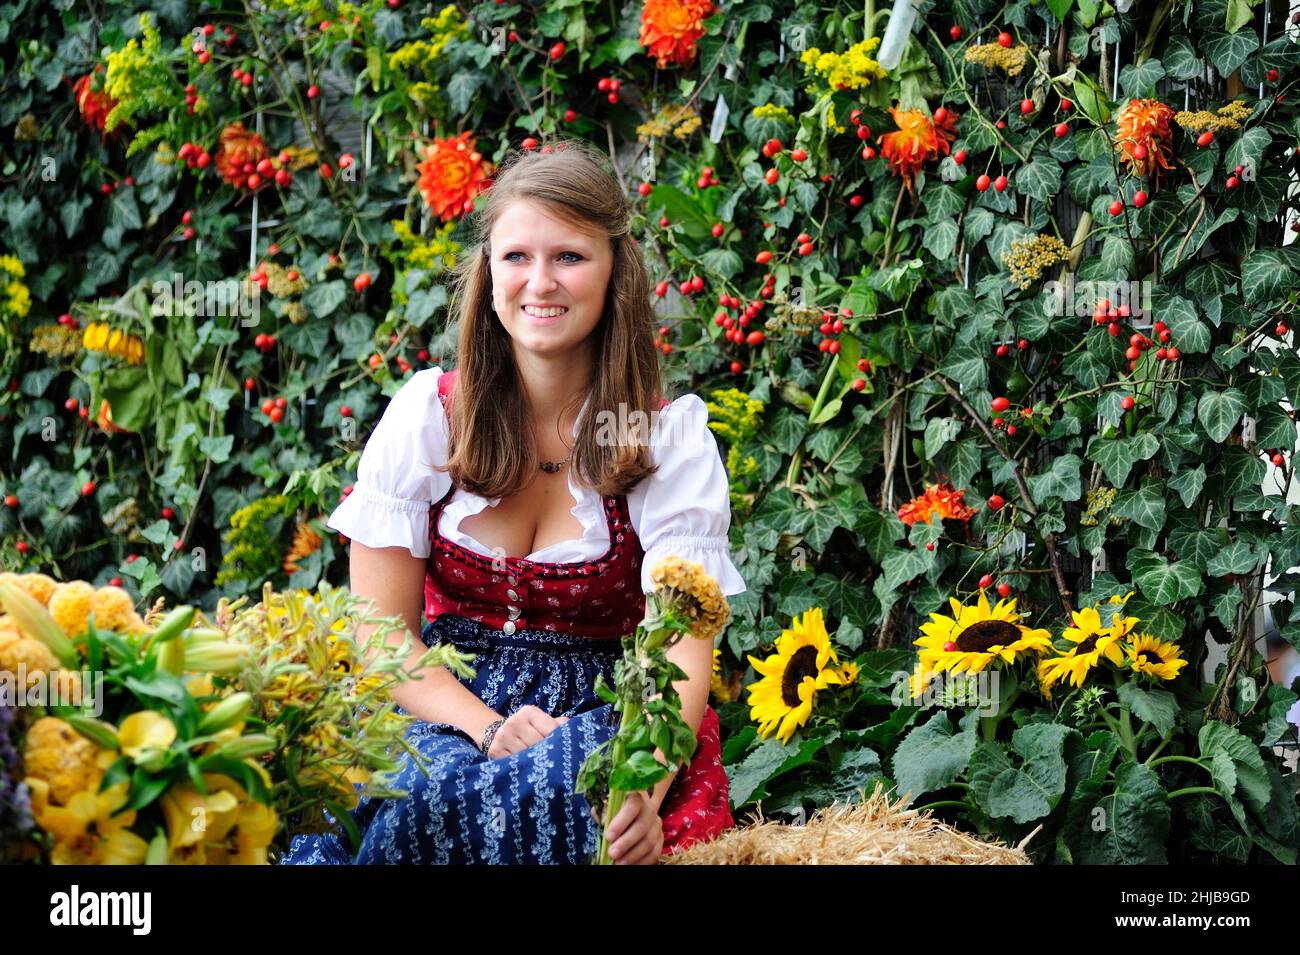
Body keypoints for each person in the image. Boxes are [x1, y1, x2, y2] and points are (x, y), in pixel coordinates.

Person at [279, 141, 747, 865]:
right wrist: (486, 726)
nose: (541, 282)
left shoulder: (664, 439)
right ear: (488, 274)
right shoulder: (428, 416)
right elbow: (380, 639)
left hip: (604, 708)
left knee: (569, 802)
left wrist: (640, 794)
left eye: (569, 256)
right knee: (424, 800)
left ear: (614, 271)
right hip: (440, 698)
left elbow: (680, 657)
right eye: (517, 257)